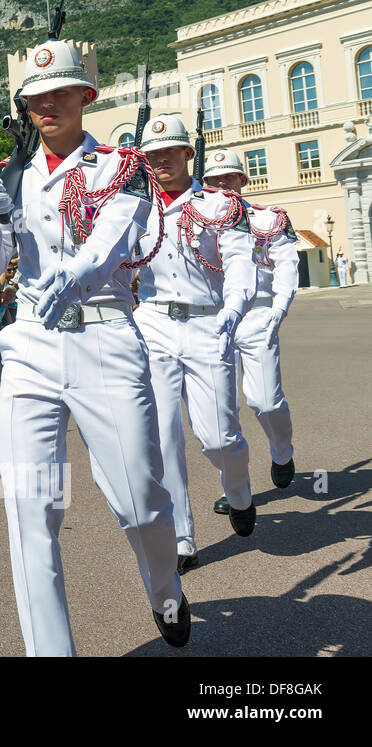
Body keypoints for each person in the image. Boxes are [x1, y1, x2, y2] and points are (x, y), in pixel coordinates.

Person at [0, 39, 187, 655]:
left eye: (61, 92)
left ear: (85, 96)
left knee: (141, 501)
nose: (48, 104)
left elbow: (114, 239)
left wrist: (79, 273)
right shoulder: (14, 174)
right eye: (37, 97)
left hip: (104, 336)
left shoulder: (122, 166)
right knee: (30, 510)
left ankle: (165, 589)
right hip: (32, 342)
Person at [132, 116, 258, 574]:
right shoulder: (134, 208)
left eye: (171, 150)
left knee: (219, 437)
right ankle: (182, 538)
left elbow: (240, 261)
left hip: (208, 323)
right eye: (153, 154)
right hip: (153, 324)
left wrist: (234, 306)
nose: (162, 159)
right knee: (163, 437)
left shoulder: (220, 205)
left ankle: (239, 490)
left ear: (188, 154)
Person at [201, 149, 300, 506]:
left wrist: (280, 305)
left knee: (265, 401)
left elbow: (286, 263)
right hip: (211, 316)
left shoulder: (267, 218)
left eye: (229, 177)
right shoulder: (192, 218)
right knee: (220, 411)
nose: (221, 184)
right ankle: (234, 487)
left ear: (242, 180)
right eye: (214, 179)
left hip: (257, 314)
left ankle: (281, 450)